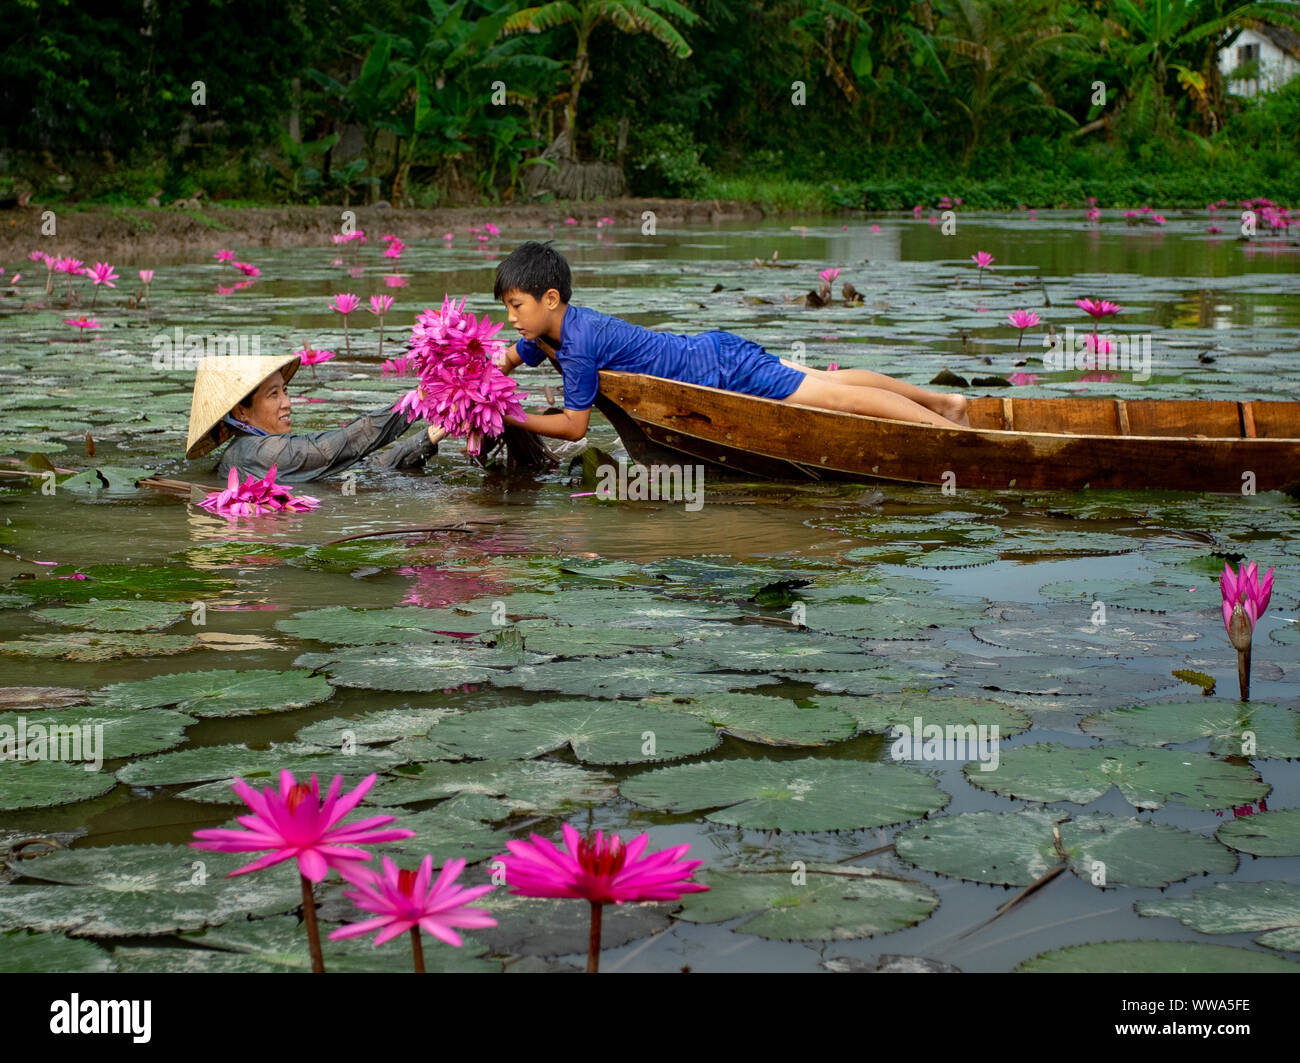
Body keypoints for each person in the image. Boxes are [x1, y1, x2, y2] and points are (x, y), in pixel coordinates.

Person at [491, 241, 969, 443]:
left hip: (723, 372)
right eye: (508, 307)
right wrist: (468, 387)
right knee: (829, 379)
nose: (511, 318)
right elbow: (507, 359)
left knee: (837, 397)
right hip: (714, 349)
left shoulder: (577, 346)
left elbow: (575, 428)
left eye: (516, 306)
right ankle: (946, 402)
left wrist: (506, 413)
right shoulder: (552, 329)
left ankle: (953, 434)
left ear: (550, 298)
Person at [184, 352, 439, 483]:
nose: (287, 403)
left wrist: (427, 438)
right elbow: (338, 447)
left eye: (285, 390)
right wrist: (416, 402)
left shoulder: (251, 448)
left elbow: (363, 467)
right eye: (273, 395)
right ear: (241, 412)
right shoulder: (255, 451)